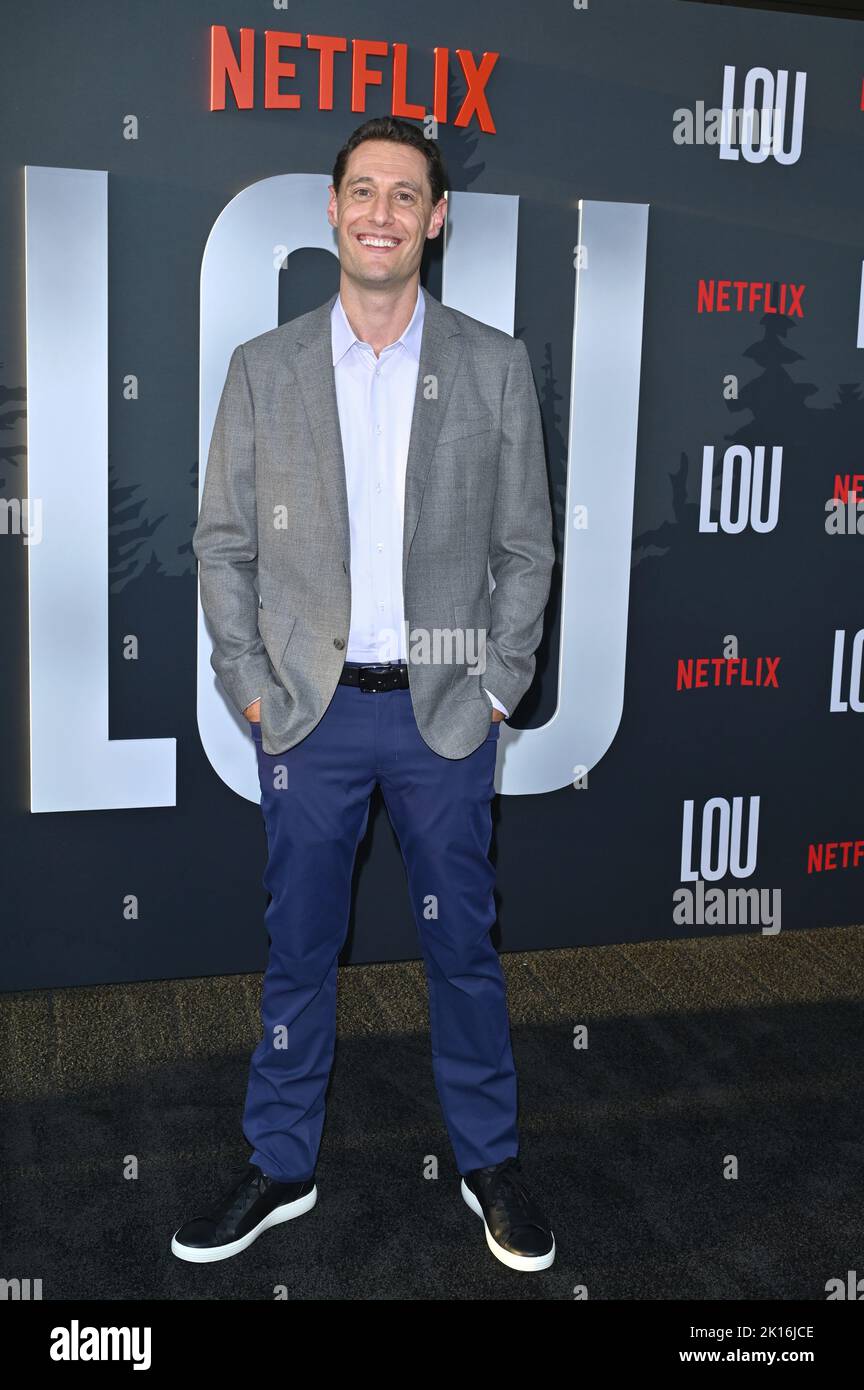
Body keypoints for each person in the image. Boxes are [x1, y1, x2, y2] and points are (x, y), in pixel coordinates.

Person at [174, 116, 556, 1273]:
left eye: (406, 194)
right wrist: (249, 687)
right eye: (362, 192)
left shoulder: (493, 365)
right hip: (311, 718)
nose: (382, 213)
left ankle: (490, 1162)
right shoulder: (265, 368)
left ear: (437, 218)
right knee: (298, 951)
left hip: (446, 716)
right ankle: (281, 1164)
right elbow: (221, 546)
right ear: (331, 213)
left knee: (465, 953)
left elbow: (526, 550)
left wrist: (496, 686)